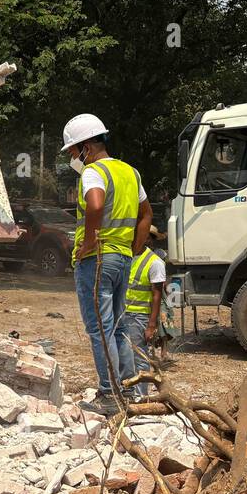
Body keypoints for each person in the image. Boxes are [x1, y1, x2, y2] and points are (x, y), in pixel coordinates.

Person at [62, 113, 152, 411]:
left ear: (87, 146)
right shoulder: (131, 172)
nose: (73, 157)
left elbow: (96, 204)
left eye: (73, 150)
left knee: (100, 329)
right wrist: (135, 249)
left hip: (97, 261)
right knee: (117, 328)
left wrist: (89, 243)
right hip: (123, 259)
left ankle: (109, 394)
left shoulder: (93, 172)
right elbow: (146, 215)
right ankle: (127, 390)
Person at [124, 228, 168, 397]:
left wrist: (151, 325)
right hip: (124, 313)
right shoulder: (129, 257)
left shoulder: (155, 262)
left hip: (139, 316)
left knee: (139, 357)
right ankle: (128, 392)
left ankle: (140, 395)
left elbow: (157, 295)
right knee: (125, 355)